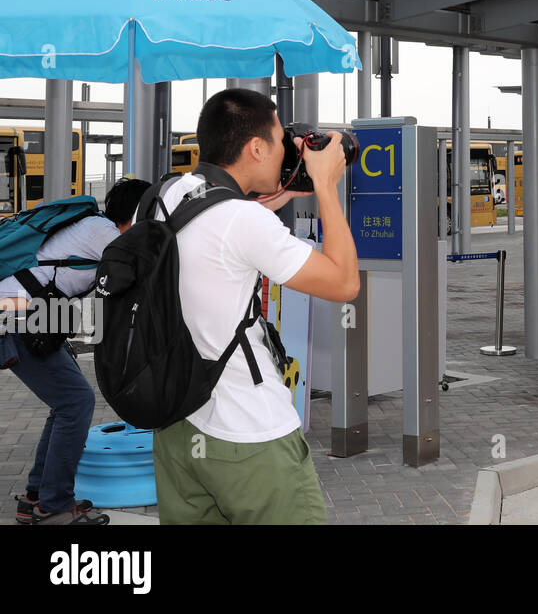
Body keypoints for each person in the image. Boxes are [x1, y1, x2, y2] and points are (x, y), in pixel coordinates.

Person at [148, 88, 359, 525]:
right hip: (249, 436)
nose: (287, 149)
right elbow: (343, 283)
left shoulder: (166, 195)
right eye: (281, 140)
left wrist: (282, 189)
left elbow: (219, 223)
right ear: (257, 147)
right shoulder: (245, 222)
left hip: (178, 428)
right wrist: (324, 185)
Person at [3, 177, 151, 525]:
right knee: (76, 402)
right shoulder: (106, 234)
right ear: (138, 212)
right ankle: (53, 505)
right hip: (17, 315)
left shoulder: (97, 229)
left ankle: (38, 496)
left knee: (67, 403)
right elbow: (145, 276)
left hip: (28, 315)